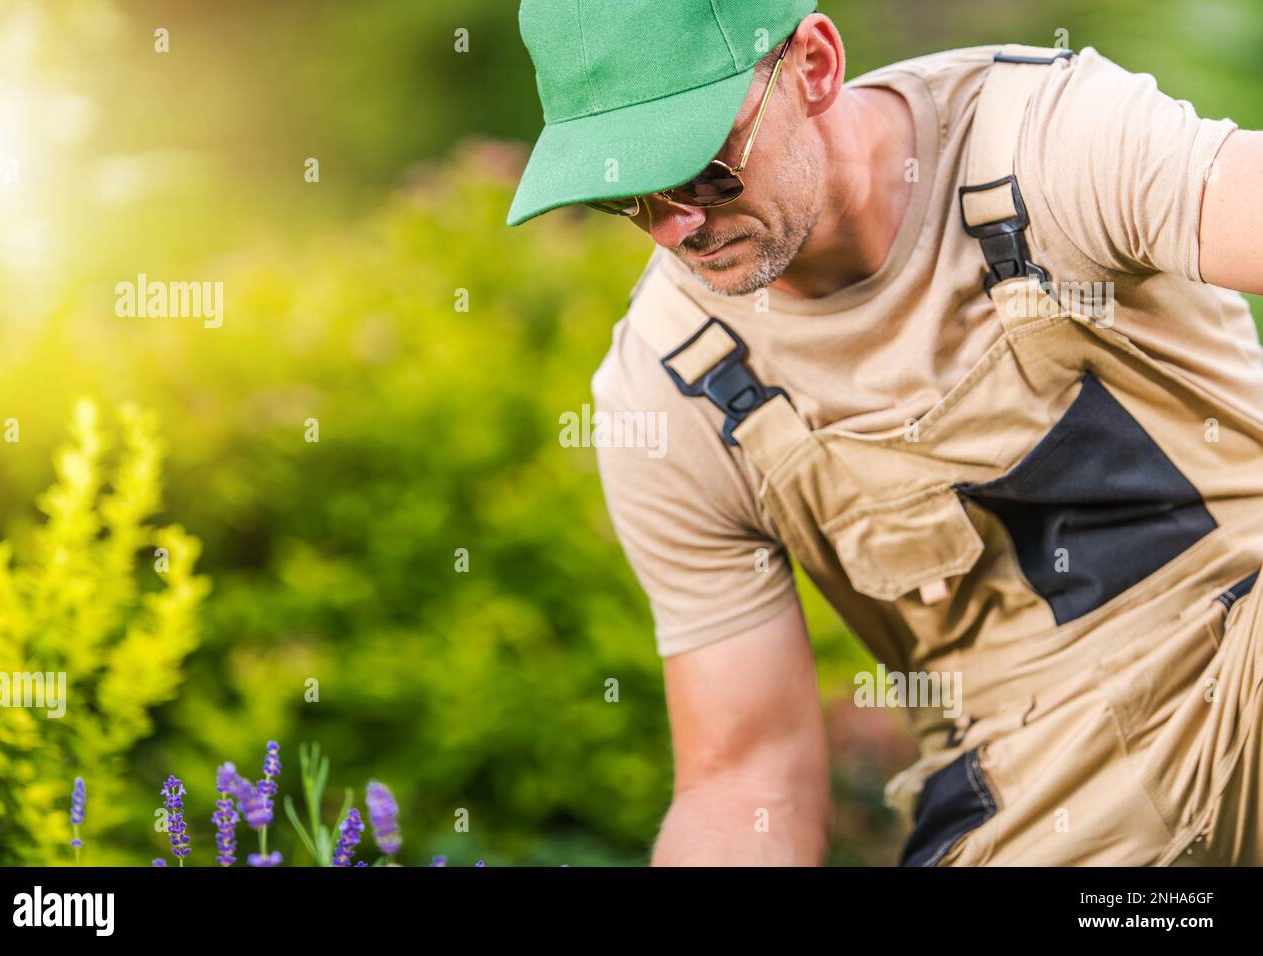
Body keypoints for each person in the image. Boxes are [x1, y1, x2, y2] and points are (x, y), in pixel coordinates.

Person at [507, 0, 1263, 866]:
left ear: (815, 66)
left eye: (702, 169)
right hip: (1030, 794)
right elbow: (746, 781)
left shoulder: (1047, 140)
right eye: (624, 196)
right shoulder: (670, 389)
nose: (677, 225)